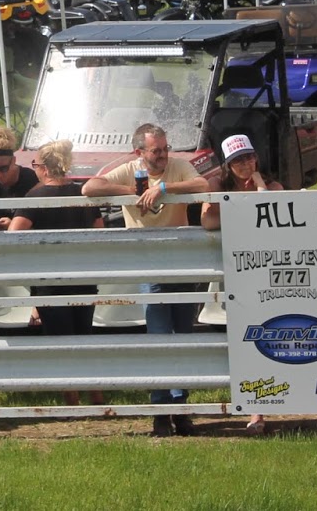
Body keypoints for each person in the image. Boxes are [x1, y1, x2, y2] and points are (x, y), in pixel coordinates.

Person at [82, 123, 211, 437]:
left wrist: (164, 189)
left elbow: (203, 183)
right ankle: (160, 410)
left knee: (182, 335)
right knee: (157, 337)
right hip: (149, 265)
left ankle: (180, 409)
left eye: (165, 148)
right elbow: (89, 188)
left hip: (180, 264)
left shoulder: (177, 167)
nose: (163, 155)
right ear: (139, 152)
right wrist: (131, 191)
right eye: (156, 150)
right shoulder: (129, 171)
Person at [7, 139, 103, 407]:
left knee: (60, 341)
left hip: (49, 280)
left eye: (36, 164)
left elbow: (15, 233)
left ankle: (71, 399)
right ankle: (97, 395)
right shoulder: (82, 196)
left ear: (45, 169)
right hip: (84, 278)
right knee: (84, 337)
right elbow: (99, 228)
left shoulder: (35, 197)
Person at [199, 134, 282, 435]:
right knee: (236, 341)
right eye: (238, 161)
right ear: (227, 166)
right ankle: (247, 403)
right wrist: (245, 204)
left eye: (248, 158)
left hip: (267, 274)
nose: (245, 164)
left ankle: (259, 411)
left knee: (264, 336)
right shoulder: (215, 186)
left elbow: (271, 214)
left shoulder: (272, 185)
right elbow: (208, 221)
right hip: (231, 271)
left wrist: (258, 187)